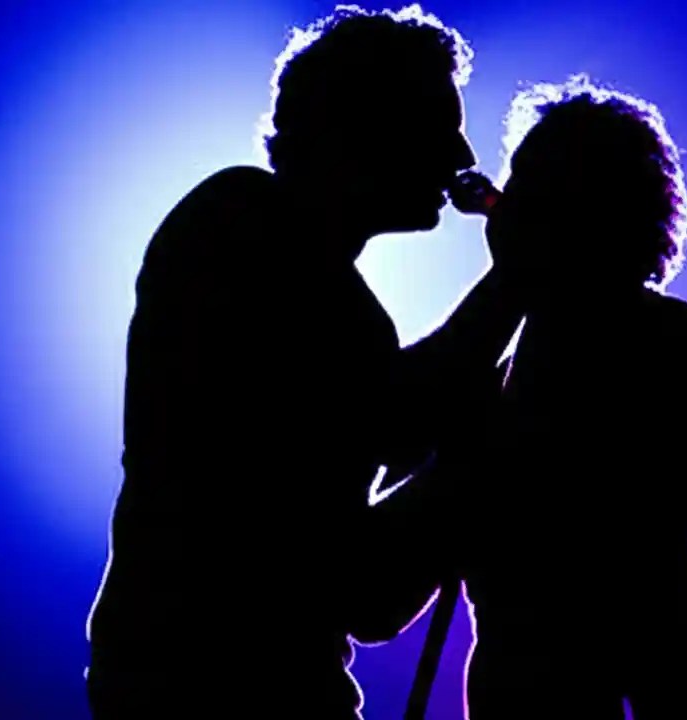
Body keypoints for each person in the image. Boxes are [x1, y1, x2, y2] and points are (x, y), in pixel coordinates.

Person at [84, 6, 521, 717]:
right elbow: (393, 420)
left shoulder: (321, 289)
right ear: (365, 126)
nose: (461, 153)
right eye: (439, 125)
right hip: (209, 683)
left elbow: (385, 459)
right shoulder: (241, 221)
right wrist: (517, 281)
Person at [433, 76, 687, 719]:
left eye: (544, 192)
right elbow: (388, 585)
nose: (516, 212)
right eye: (521, 191)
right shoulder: (488, 386)